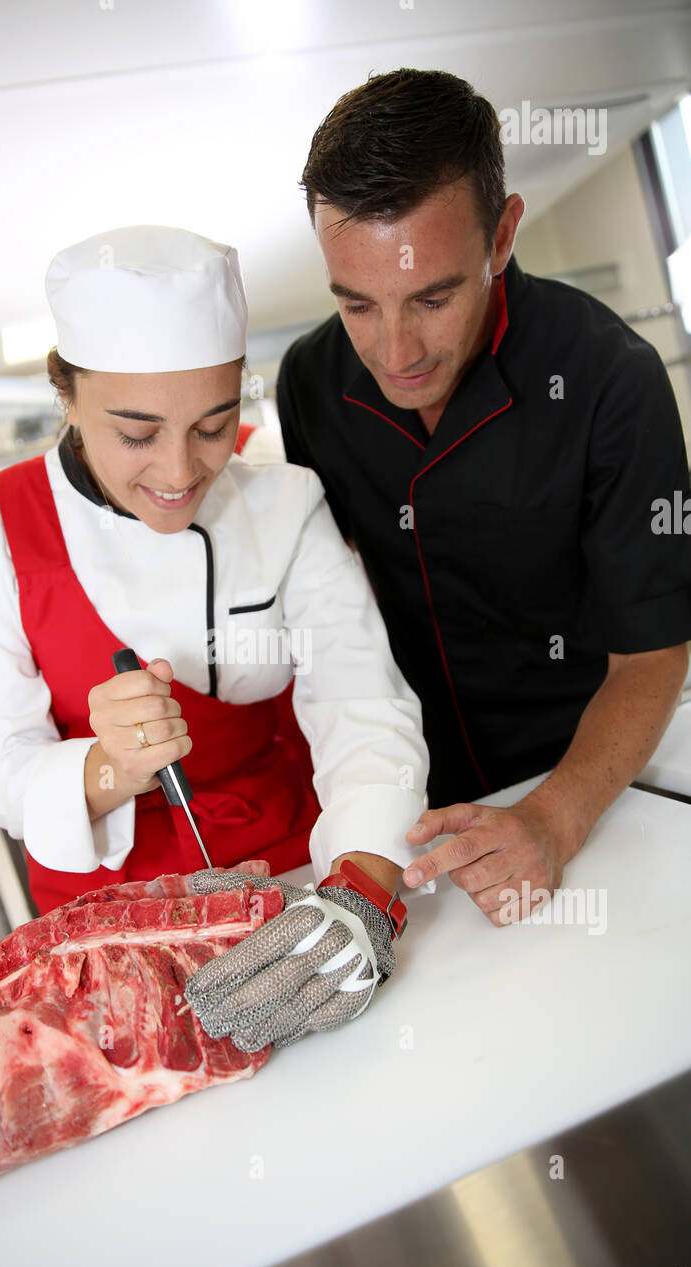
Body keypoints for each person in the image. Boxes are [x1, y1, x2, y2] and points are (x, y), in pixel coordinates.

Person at [276, 68, 691, 926]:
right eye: (357, 304)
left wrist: (554, 816)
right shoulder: (310, 384)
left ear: (501, 237)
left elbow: (652, 655)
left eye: (433, 297)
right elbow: (343, 606)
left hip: (599, 784)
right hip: (428, 816)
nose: (395, 351)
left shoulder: (610, 378)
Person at [0, 225, 429, 921]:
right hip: (110, 912)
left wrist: (361, 897)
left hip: (296, 865)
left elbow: (362, 707)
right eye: (137, 434)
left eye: (212, 426)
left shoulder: (282, 497)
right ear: (66, 396)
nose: (179, 472)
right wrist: (115, 766)